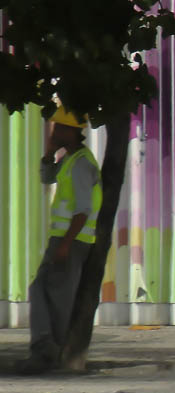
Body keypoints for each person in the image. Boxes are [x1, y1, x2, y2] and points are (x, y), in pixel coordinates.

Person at [17, 105, 103, 375]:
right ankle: (48, 350)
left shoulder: (80, 165)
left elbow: (82, 211)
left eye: (57, 127)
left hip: (71, 241)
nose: (52, 131)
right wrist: (49, 153)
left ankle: (45, 352)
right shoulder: (70, 160)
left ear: (71, 131)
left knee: (48, 293)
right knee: (50, 294)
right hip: (66, 239)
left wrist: (66, 244)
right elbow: (47, 177)